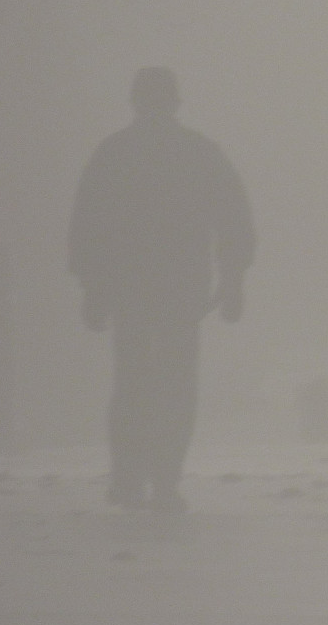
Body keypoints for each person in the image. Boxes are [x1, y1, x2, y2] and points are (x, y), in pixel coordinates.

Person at [68, 67, 255, 512]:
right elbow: (233, 219)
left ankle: (130, 480)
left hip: (129, 286)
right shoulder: (199, 153)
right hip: (181, 287)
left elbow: (87, 225)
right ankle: (165, 482)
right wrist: (232, 280)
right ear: (176, 102)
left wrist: (93, 287)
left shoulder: (113, 154)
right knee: (176, 383)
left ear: (135, 101)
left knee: (132, 380)